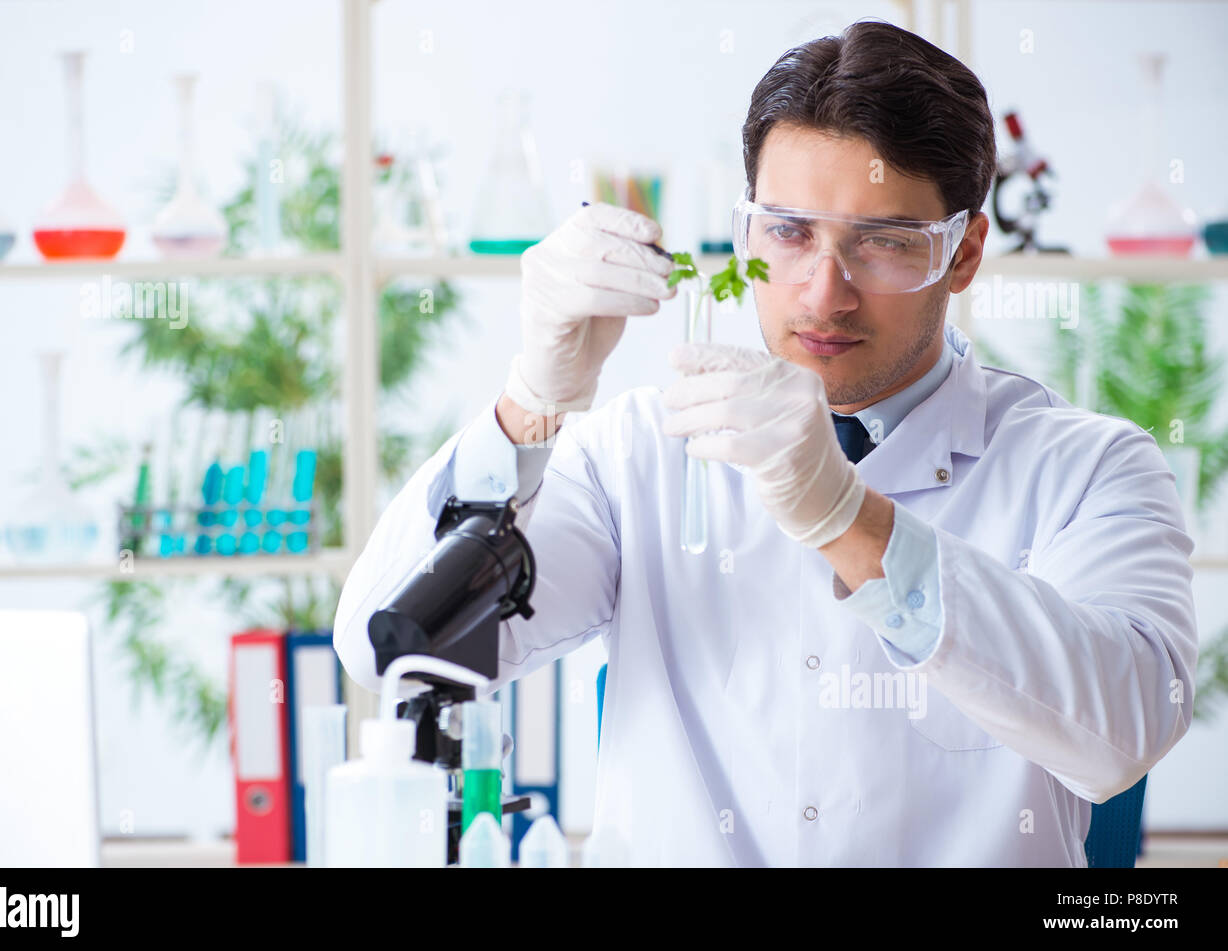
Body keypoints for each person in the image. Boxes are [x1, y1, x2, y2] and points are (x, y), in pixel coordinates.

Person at [334, 20, 1197, 866]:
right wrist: (529, 401)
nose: (825, 294)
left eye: (883, 242)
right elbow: (397, 648)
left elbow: (1122, 732)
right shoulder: (639, 453)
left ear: (965, 251)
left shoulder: (1086, 468)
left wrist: (846, 518)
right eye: (788, 232)